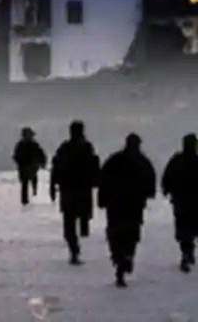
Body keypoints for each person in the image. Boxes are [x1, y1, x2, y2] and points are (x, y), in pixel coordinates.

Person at [98, 133, 157, 287]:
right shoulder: (143, 162)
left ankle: (118, 258)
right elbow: (150, 182)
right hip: (134, 205)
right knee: (131, 233)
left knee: (115, 232)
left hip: (115, 204)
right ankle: (127, 256)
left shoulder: (115, 160)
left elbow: (103, 179)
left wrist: (102, 199)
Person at [50, 120, 100, 265]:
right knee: (81, 217)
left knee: (69, 223)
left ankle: (74, 248)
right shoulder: (86, 147)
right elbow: (94, 166)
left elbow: (56, 168)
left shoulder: (65, 148)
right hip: (82, 189)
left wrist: (53, 187)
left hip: (69, 190)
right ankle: (79, 239)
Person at [163, 133, 198, 272]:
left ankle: (186, 250)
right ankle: (188, 250)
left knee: (183, 227)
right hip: (193, 202)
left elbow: (168, 176)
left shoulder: (177, 160)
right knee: (191, 227)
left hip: (181, 201)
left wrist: (167, 189)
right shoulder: (196, 161)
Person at [13, 127, 48, 206]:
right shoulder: (21, 145)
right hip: (24, 168)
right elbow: (16, 156)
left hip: (31, 168)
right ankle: (26, 201)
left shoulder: (34, 145)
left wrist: (42, 163)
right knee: (25, 185)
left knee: (33, 182)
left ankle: (34, 196)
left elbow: (41, 155)